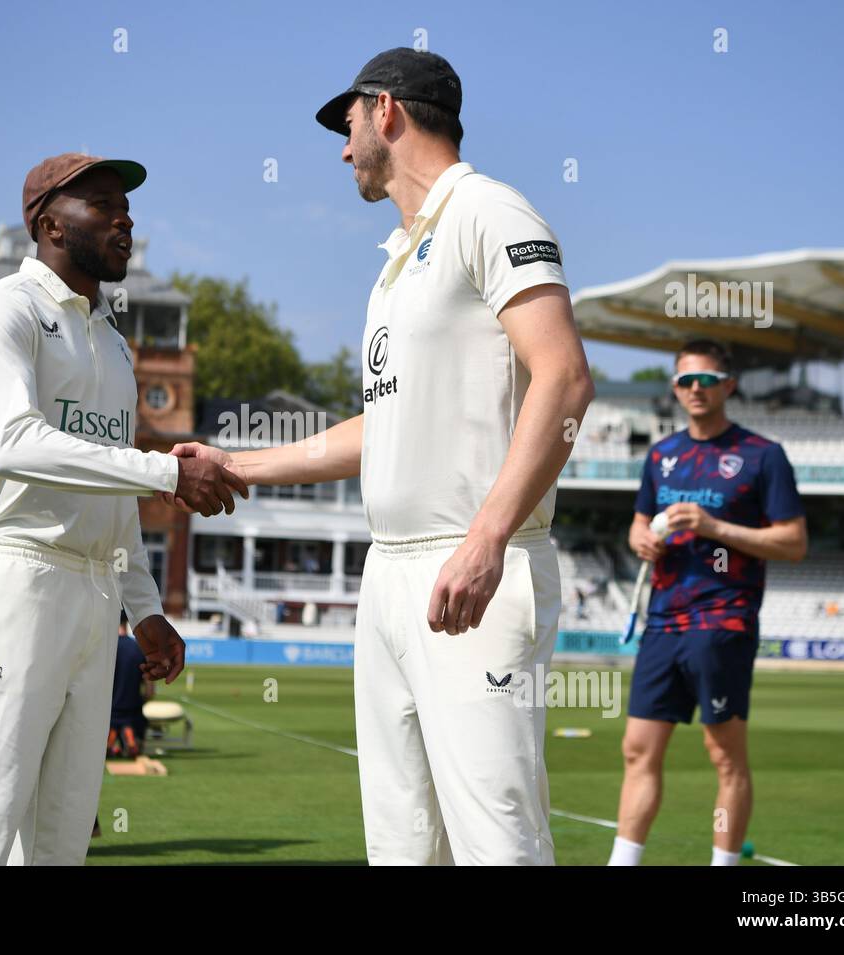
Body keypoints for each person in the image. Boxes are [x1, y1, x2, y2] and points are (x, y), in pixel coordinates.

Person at [163, 49, 593, 865]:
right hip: (390, 573)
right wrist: (236, 465)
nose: (342, 147)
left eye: (348, 123)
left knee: (496, 838)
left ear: (386, 110)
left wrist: (487, 537)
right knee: (400, 844)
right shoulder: (395, 265)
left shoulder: (490, 212)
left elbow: (565, 376)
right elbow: (378, 427)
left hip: (472, 567)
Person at [0, 153, 248, 867]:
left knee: (63, 834)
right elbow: (14, 443)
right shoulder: (1, 312)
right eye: (103, 204)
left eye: (126, 206)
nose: (125, 218)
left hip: (93, 593)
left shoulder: (112, 342)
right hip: (15, 572)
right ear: (48, 222)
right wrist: (166, 471)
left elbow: (110, 489)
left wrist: (142, 607)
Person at [610, 339, 807, 867]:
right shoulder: (661, 456)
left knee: (724, 757)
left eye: (706, 380)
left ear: (728, 385)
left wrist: (715, 526)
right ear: (675, 389)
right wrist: (639, 540)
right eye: (684, 382)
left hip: (723, 619)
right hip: (663, 620)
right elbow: (637, 521)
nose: (695, 390)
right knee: (637, 750)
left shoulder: (763, 456)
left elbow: (792, 542)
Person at [107, 612, 155, 759]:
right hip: (132, 709)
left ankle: (111, 740)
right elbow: (149, 689)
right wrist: (146, 698)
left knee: (111, 721)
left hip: (108, 710)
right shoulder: (138, 648)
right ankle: (129, 737)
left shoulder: (106, 648)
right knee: (131, 721)